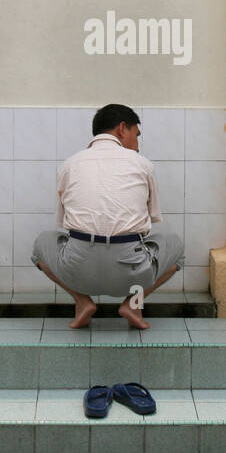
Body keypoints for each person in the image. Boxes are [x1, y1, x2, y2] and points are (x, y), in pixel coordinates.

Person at [32, 103, 184, 330]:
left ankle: (82, 301)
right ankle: (133, 304)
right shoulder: (142, 164)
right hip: (131, 271)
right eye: (137, 134)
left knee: (41, 245)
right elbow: (151, 219)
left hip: (78, 270)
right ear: (122, 128)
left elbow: (63, 224)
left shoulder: (69, 165)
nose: (137, 144)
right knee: (176, 248)